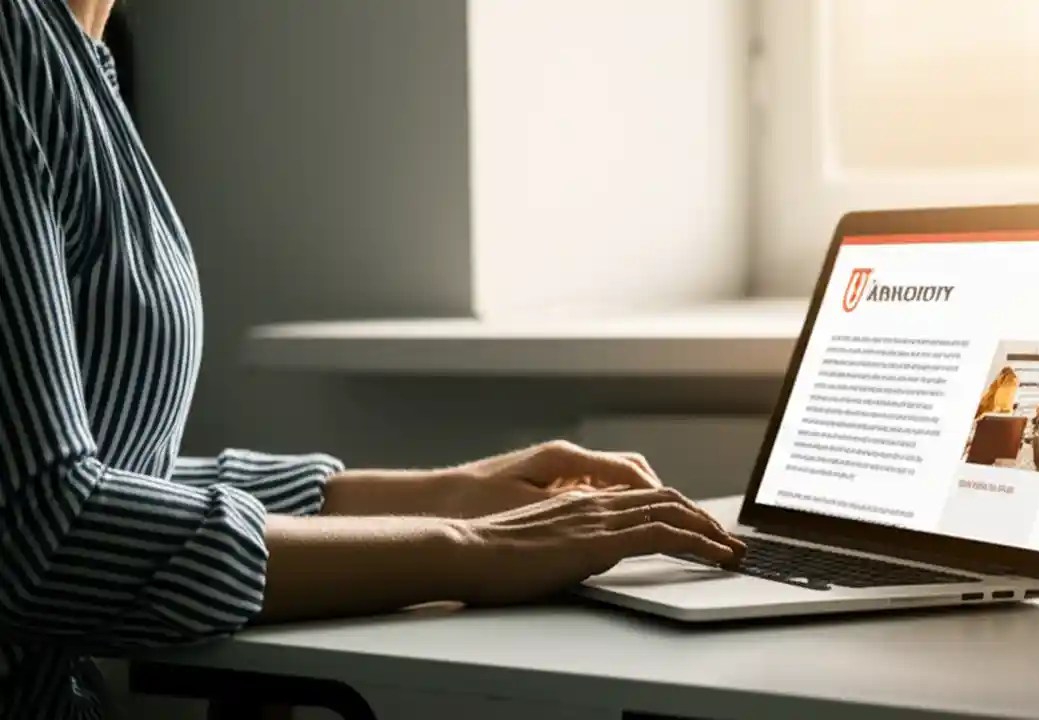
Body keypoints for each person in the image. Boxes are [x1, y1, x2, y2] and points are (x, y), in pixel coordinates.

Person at [0, 1, 745, 717]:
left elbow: (114, 484)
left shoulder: (80, 52)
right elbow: (47, 531)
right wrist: (468, 550)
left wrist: (448, 493)